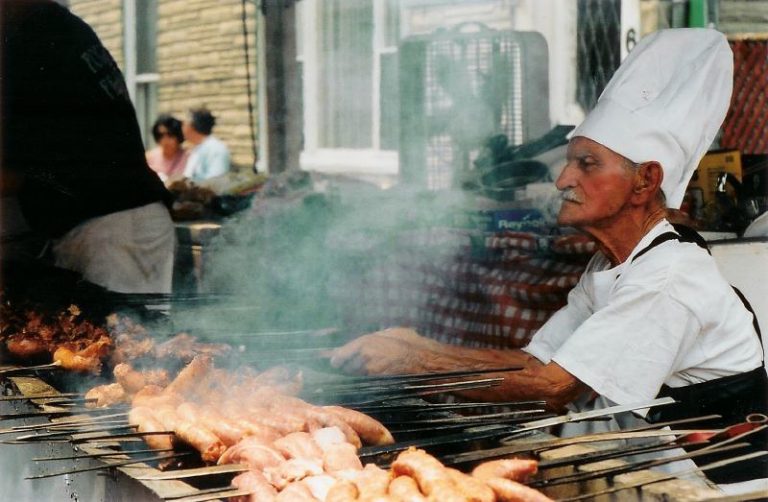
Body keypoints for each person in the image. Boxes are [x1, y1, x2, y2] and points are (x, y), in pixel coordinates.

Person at [331, 29, 765, 454]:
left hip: (716, 489)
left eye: (586, 164)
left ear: (645, 180)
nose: (563, 179)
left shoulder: (669, 276)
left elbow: (554, 388)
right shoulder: (613, 265)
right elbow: (538, 363)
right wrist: (416, 347)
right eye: (570, 161)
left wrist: (416, 361)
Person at [0, 0, 175, 294]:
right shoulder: (57, 26)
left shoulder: (31, 39)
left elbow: (11, 171)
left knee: (124, 338)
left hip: (115, 230)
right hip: (106, 224)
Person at [182, 107, 231, 182]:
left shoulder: (217, 149)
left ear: (191, 127)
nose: (182, 128)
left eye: (184, 124)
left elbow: (215, 183)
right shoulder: (197, 148)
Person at [146, 114, 189, 182]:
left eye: (170, 135)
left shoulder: (188, 157)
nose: (165, 140)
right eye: (160, 135)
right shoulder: (149, 157)